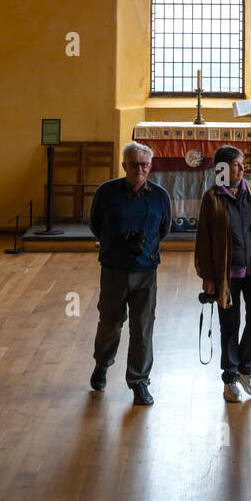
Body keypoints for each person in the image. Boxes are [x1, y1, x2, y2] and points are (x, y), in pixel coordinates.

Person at [89, 141, 171, 406]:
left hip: (146, 271)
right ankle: (102, 363)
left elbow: (164, 229)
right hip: (114, 269)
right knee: (110, 324)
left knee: (143, 328)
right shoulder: (106, 192)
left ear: (150, 166)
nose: (140, 169)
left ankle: (139, 382)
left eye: (145, 165)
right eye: (134, 164)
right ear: (124, 165)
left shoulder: (160, 196)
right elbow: (95, 225)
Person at [195, 146, 251, 403]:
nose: (243, 168)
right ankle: (230, 377)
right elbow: (204, 240)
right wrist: (207, 275)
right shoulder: (212, 198)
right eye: (236, 164)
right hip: (226, 274)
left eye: (242, 164)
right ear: (221, 169)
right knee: (229, 325)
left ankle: (246, 369)